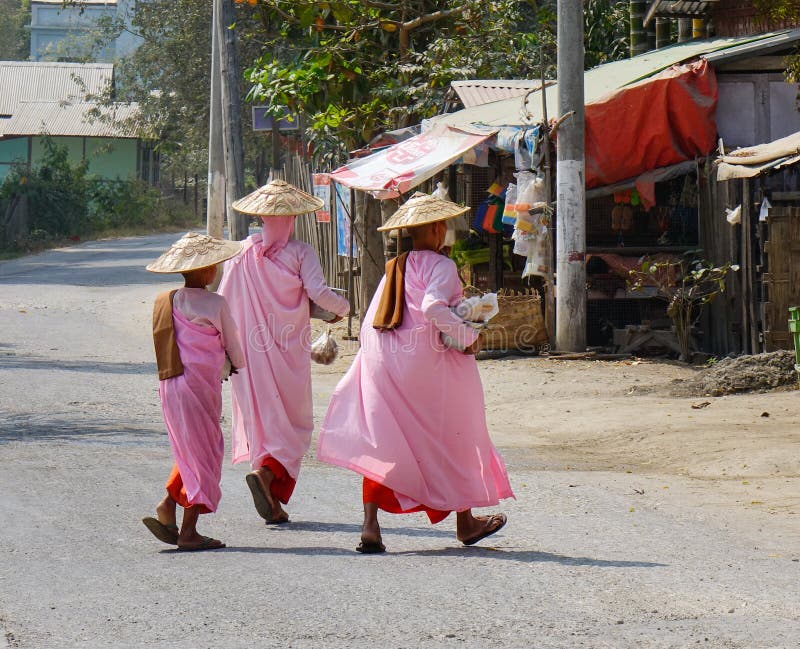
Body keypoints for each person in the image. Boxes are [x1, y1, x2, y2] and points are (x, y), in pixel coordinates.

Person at [318, 192, 514, 553]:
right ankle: (465, 521)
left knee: (385, 440)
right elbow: (433, 308)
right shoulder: (442, 266)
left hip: (385, 360)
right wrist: (469, 337)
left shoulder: (395, 267)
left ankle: (370, 525)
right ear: (439, 228)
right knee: (455, 431)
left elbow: (371, 321)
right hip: (428, 364)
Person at [218, 179, 349, 524]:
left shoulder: (241, 253)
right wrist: (345, 306)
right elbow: (319, 293)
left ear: (262, 217)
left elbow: (223, 301)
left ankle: (272, 500)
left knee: (263, 420)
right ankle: (265, 476)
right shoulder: (300, 252)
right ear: (292, 218)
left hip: (247, 352)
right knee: (294, 424)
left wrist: (223, 347)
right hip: (287, 353)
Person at [141, 232, 246, 551]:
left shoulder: (167, 300)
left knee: (191, 451)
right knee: (205, 453)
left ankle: (168, 505)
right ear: (207, 271)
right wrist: (238, 365)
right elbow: (234, 346)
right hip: (199, 387)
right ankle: (188, 531)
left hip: (170, 384)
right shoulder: (215, 303)